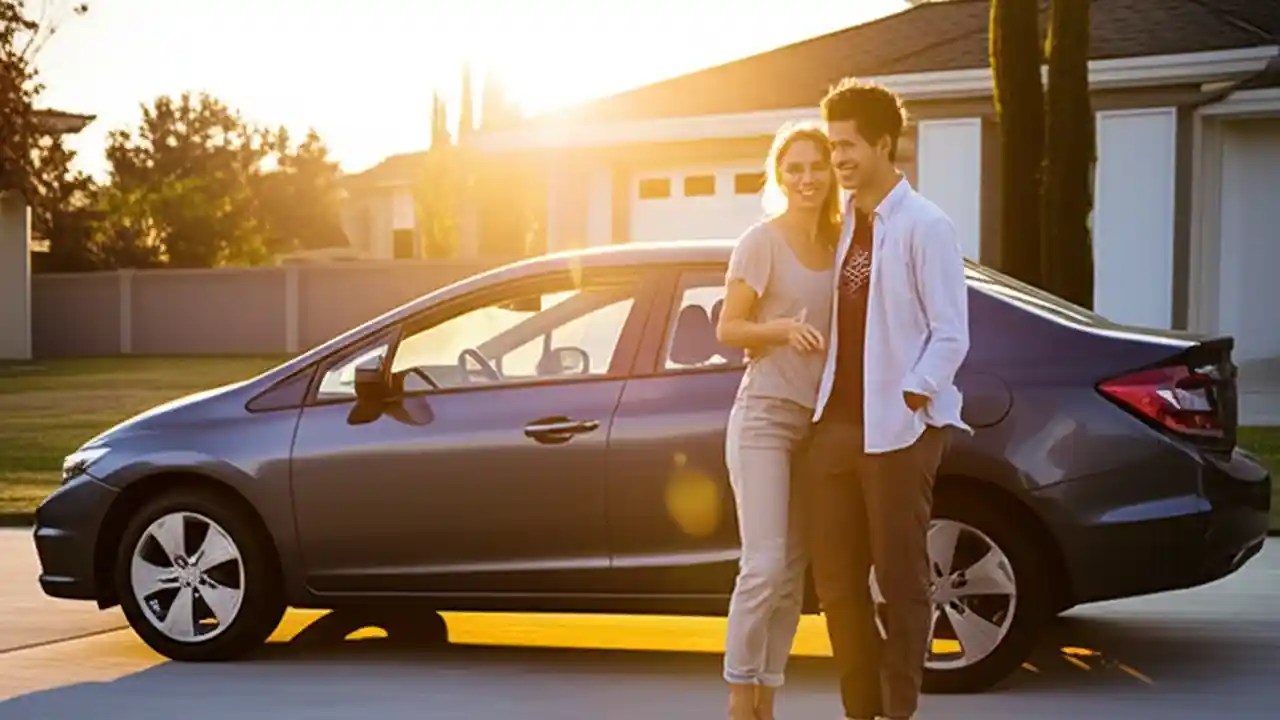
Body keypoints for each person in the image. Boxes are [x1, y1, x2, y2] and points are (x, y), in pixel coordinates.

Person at [801, 78, 972, 720]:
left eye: (848, 146)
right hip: (835, 430)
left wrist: (911, 392)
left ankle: (898, 711)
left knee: (901, 585)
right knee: (838, 586)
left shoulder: (927, 225)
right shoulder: (845, 225)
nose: (839, 158)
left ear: (883, 144)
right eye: (833, 145)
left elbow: (951, 331)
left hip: (900, 432)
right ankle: (860, 710)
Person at [716, 122, 841, 720]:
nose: (807, 178)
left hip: (816, 426)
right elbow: (729, 328)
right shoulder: (760, 241)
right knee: (763, 565)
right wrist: (783, 330)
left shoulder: (843, 243)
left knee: (793, 574)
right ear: (779, 174)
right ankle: (741, 699)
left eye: (817, 165)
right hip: (764, 417)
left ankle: (768, 697)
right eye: (794, 167)